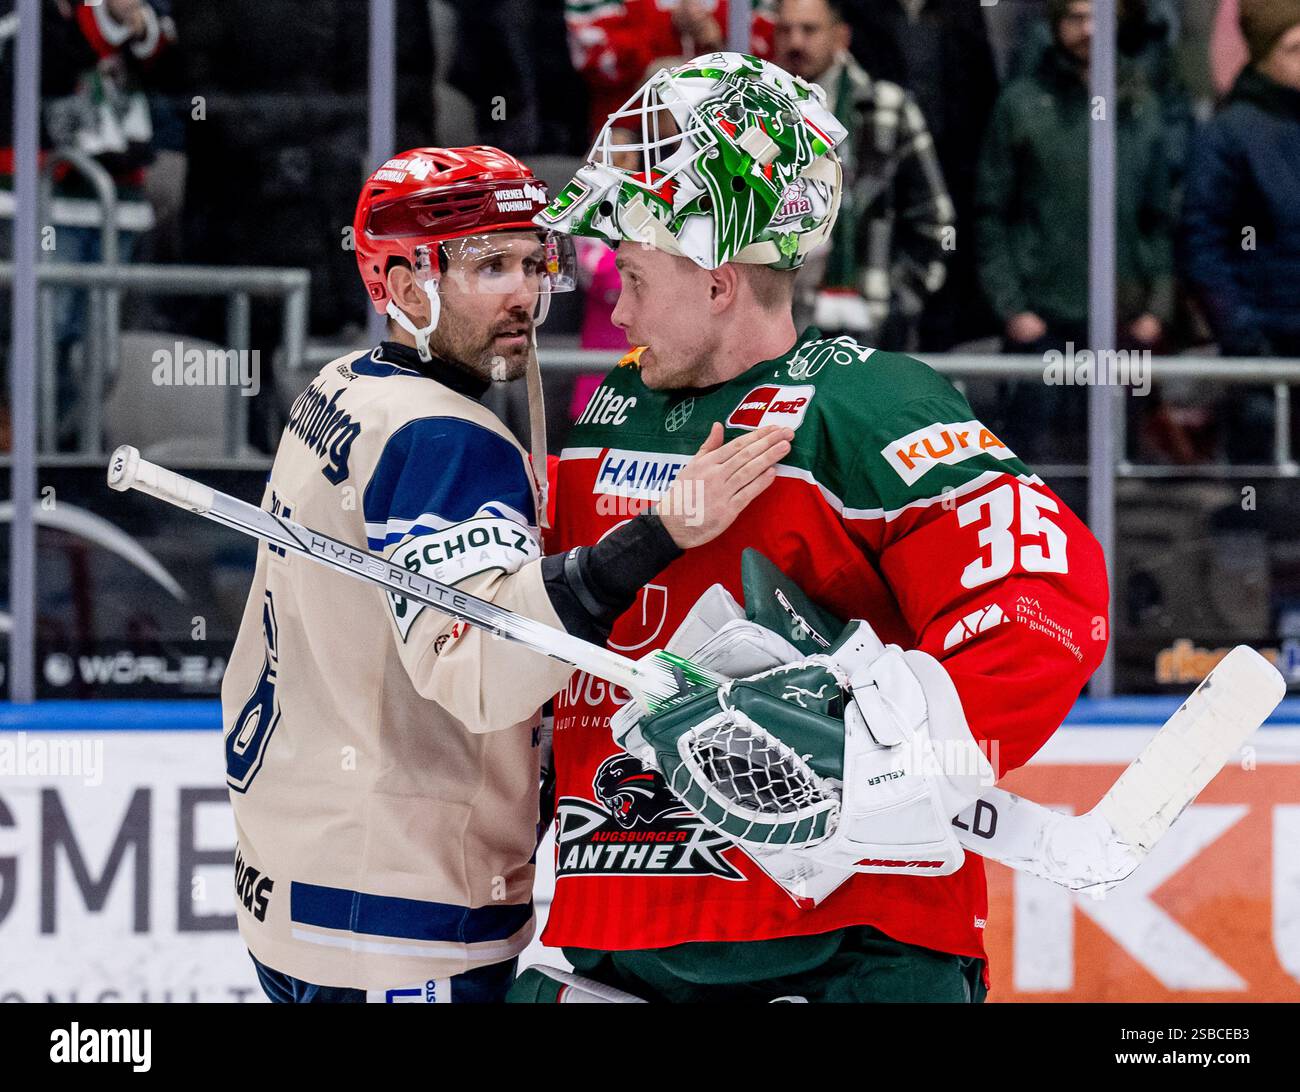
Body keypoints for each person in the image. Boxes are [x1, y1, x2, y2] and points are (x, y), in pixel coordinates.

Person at [524, 53, 1108, 1003]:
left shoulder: (865, 403)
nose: (617, 309)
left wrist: (908, 746)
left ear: (718, 282)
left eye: (630, 274)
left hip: (842, 948)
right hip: (617, 941)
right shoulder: (603, 415)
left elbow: (1042, 594)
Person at [221, 145, 791, 1003]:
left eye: (533, 261)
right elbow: (482, 667)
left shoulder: (342, 389)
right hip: (402, 915)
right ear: (405, 285)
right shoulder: (445, 438)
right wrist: (663, 532)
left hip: (298, 884)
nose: (525, 292)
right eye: (489, 266)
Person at [974, 0, 1175, 461]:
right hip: (1041, 318)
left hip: (1121, 321)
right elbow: (991, 214)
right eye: (1074, 18)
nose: (1088, 29)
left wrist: (1157, 306)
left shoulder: (1142, 104)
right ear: (1055, 25)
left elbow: (1160, 217)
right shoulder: (1021, 104)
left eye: (1098, 18)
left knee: (1115, 468)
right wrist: (1012, 307)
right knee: (1038, 469)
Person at [773, 0, 953, 349]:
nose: (795, 42)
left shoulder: (888, 107)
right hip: (782, 324)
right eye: (785, 30)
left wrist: (900, 299)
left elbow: (936, 219)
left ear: (841, 37)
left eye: (809, 30)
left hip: (874, 322)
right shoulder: (756, 115)